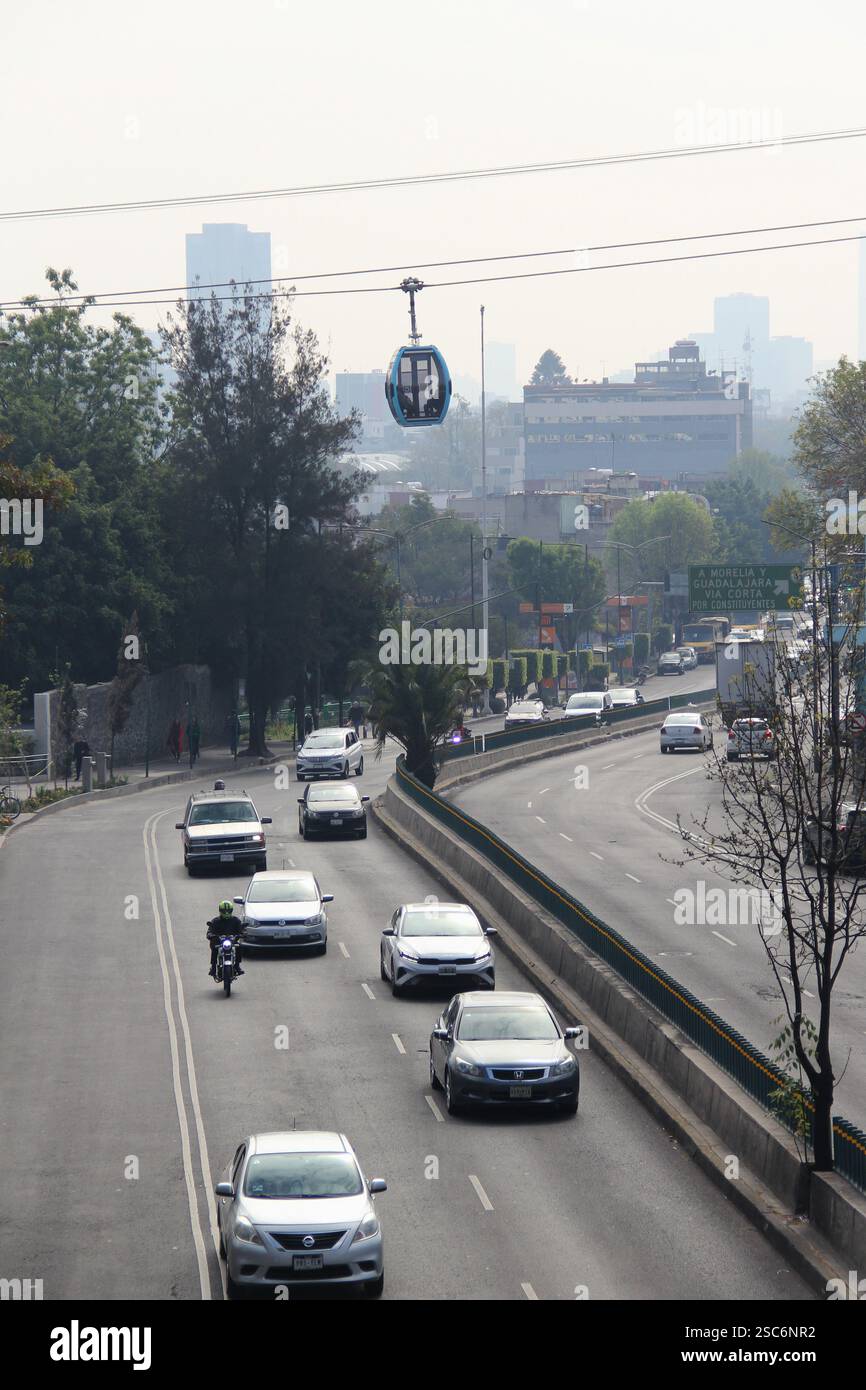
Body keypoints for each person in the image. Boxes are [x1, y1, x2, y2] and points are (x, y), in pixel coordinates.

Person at [206, 900, 245, 978]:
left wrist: (242, 934)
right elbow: (209, 931)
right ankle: (213, 968)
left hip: (232, 941)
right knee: (214, 948)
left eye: (228, 911)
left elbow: (242, 930)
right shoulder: (215, 921)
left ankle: (237, 966)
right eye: (224, 911)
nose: (226, 913)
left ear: (231, 911)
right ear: (220, 911)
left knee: (240, 946)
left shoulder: (236, 921)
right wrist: (211, 935)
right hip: (219, 942)